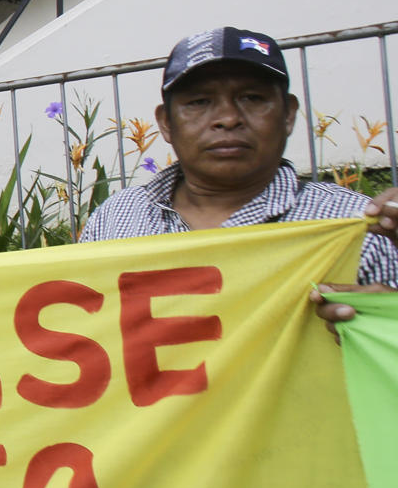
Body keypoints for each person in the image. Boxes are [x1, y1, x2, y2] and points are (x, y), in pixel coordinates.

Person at [81, 29, 398, 316]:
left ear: (288, 114)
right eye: (200, 101)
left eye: (252, 98)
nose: (228, 118)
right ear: (165, 122)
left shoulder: (361, 228)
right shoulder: (114, 219)